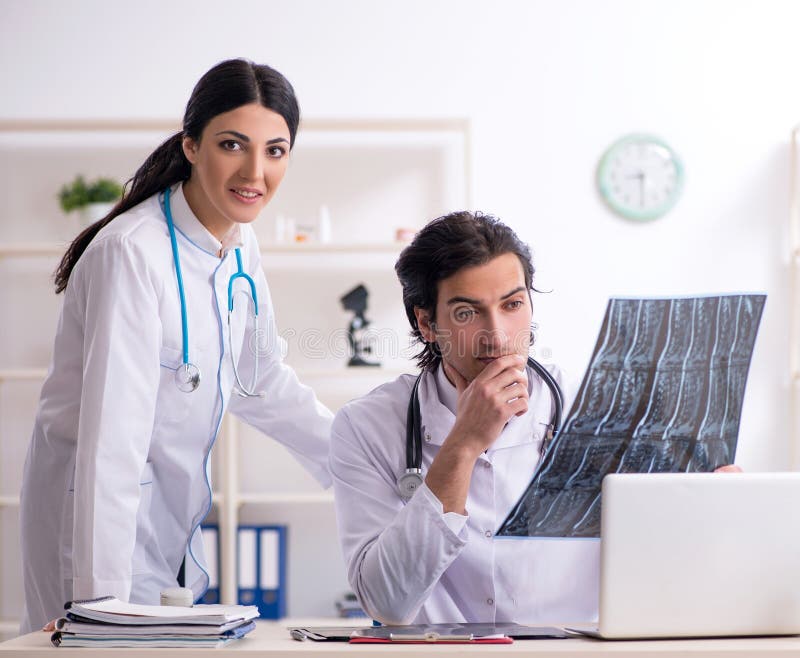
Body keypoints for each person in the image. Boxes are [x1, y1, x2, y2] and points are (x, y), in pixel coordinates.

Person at [19, 59, 332, 634]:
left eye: (275, 150)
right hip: (92, 520)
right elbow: (112, 441)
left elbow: (260, 378)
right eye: (232, 145)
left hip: (166, 512)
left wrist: (361, 463)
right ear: (191, 145)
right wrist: (101, 609)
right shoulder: (131, 253)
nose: (255, 172)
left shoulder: (239, 244)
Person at [330, 212, 739, 626]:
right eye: (467, 312)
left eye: (512, 305)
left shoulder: (597, 409)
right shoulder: (365, 428)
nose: (497, 335)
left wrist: (709, 508)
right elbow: (386, 602)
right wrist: (463, 445)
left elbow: (660, 558)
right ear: (426, 323)